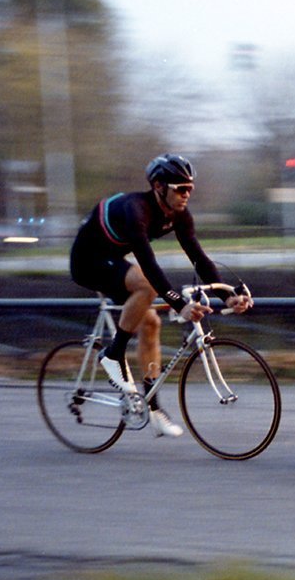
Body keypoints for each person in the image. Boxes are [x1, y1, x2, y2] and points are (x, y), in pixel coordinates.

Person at [69, 153, 251, 436]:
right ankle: (113, 354)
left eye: (190, 188)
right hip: (87, 262)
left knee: (151, 323)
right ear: (158, 186)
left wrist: (227, 295)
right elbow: (148, 264)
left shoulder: (179, 214)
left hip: (114, 261)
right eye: (180, 189)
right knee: (146, 285)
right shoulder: (135, 209)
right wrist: (179, 305)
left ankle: (152, 407)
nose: (186, 195)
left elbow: (199, 259)